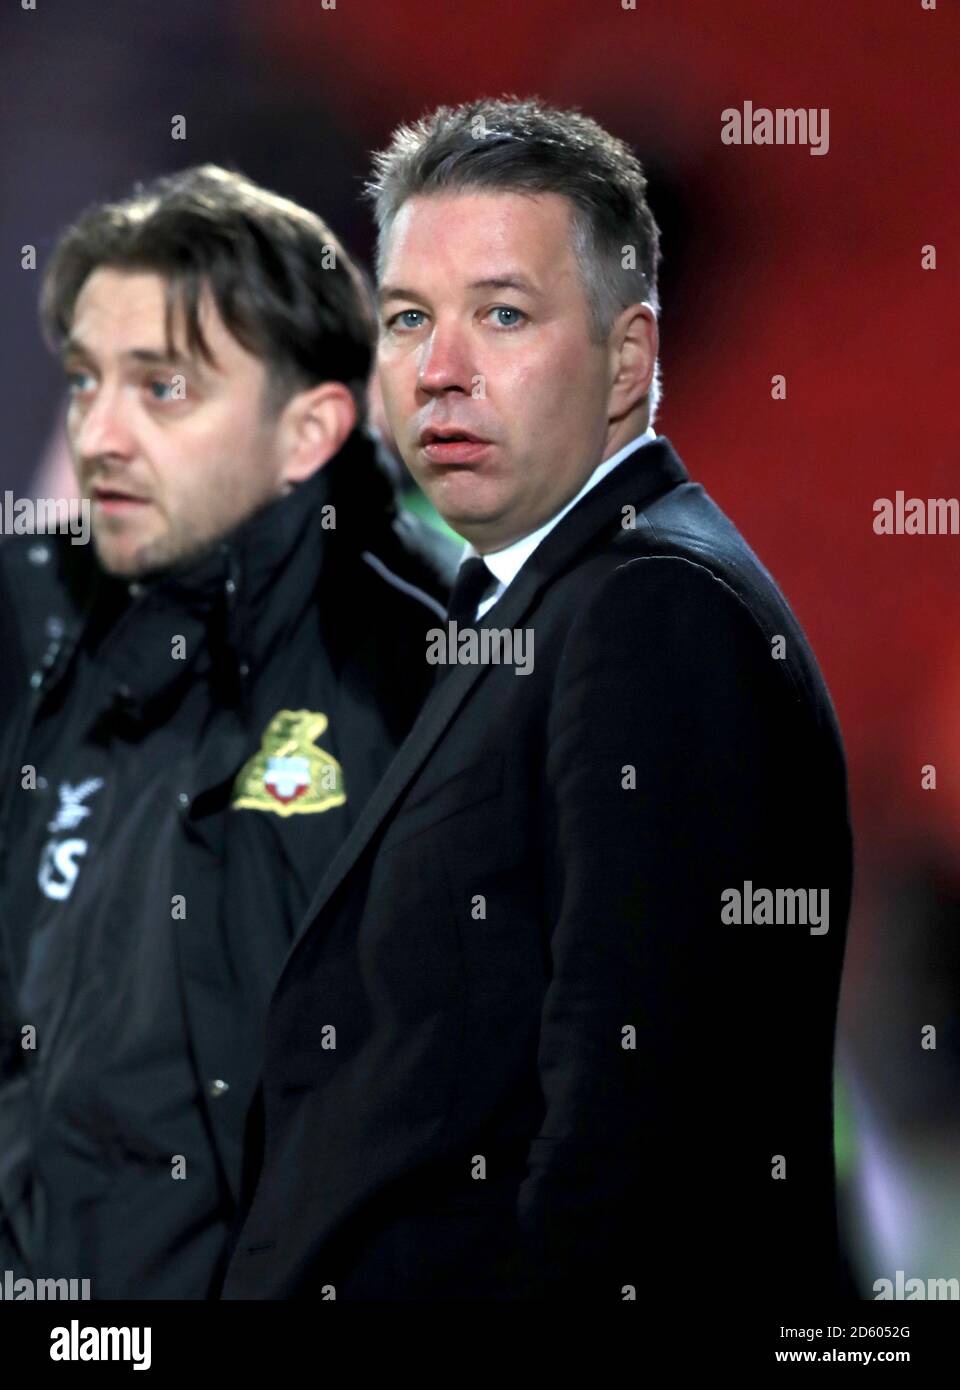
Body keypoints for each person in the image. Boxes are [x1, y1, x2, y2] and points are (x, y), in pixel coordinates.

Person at [221, 99, 853, 1301]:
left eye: (502, 315)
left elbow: (636, 1144)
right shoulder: (537, 609)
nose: (440, 371)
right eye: (409, 318)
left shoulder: (650, 609)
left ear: (629, 361)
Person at [0, 164, 456, 1299]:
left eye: (162, 390)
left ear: (309, 430)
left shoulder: (422, 692)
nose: (99, 432)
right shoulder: (63, 656)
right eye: (85, 382)